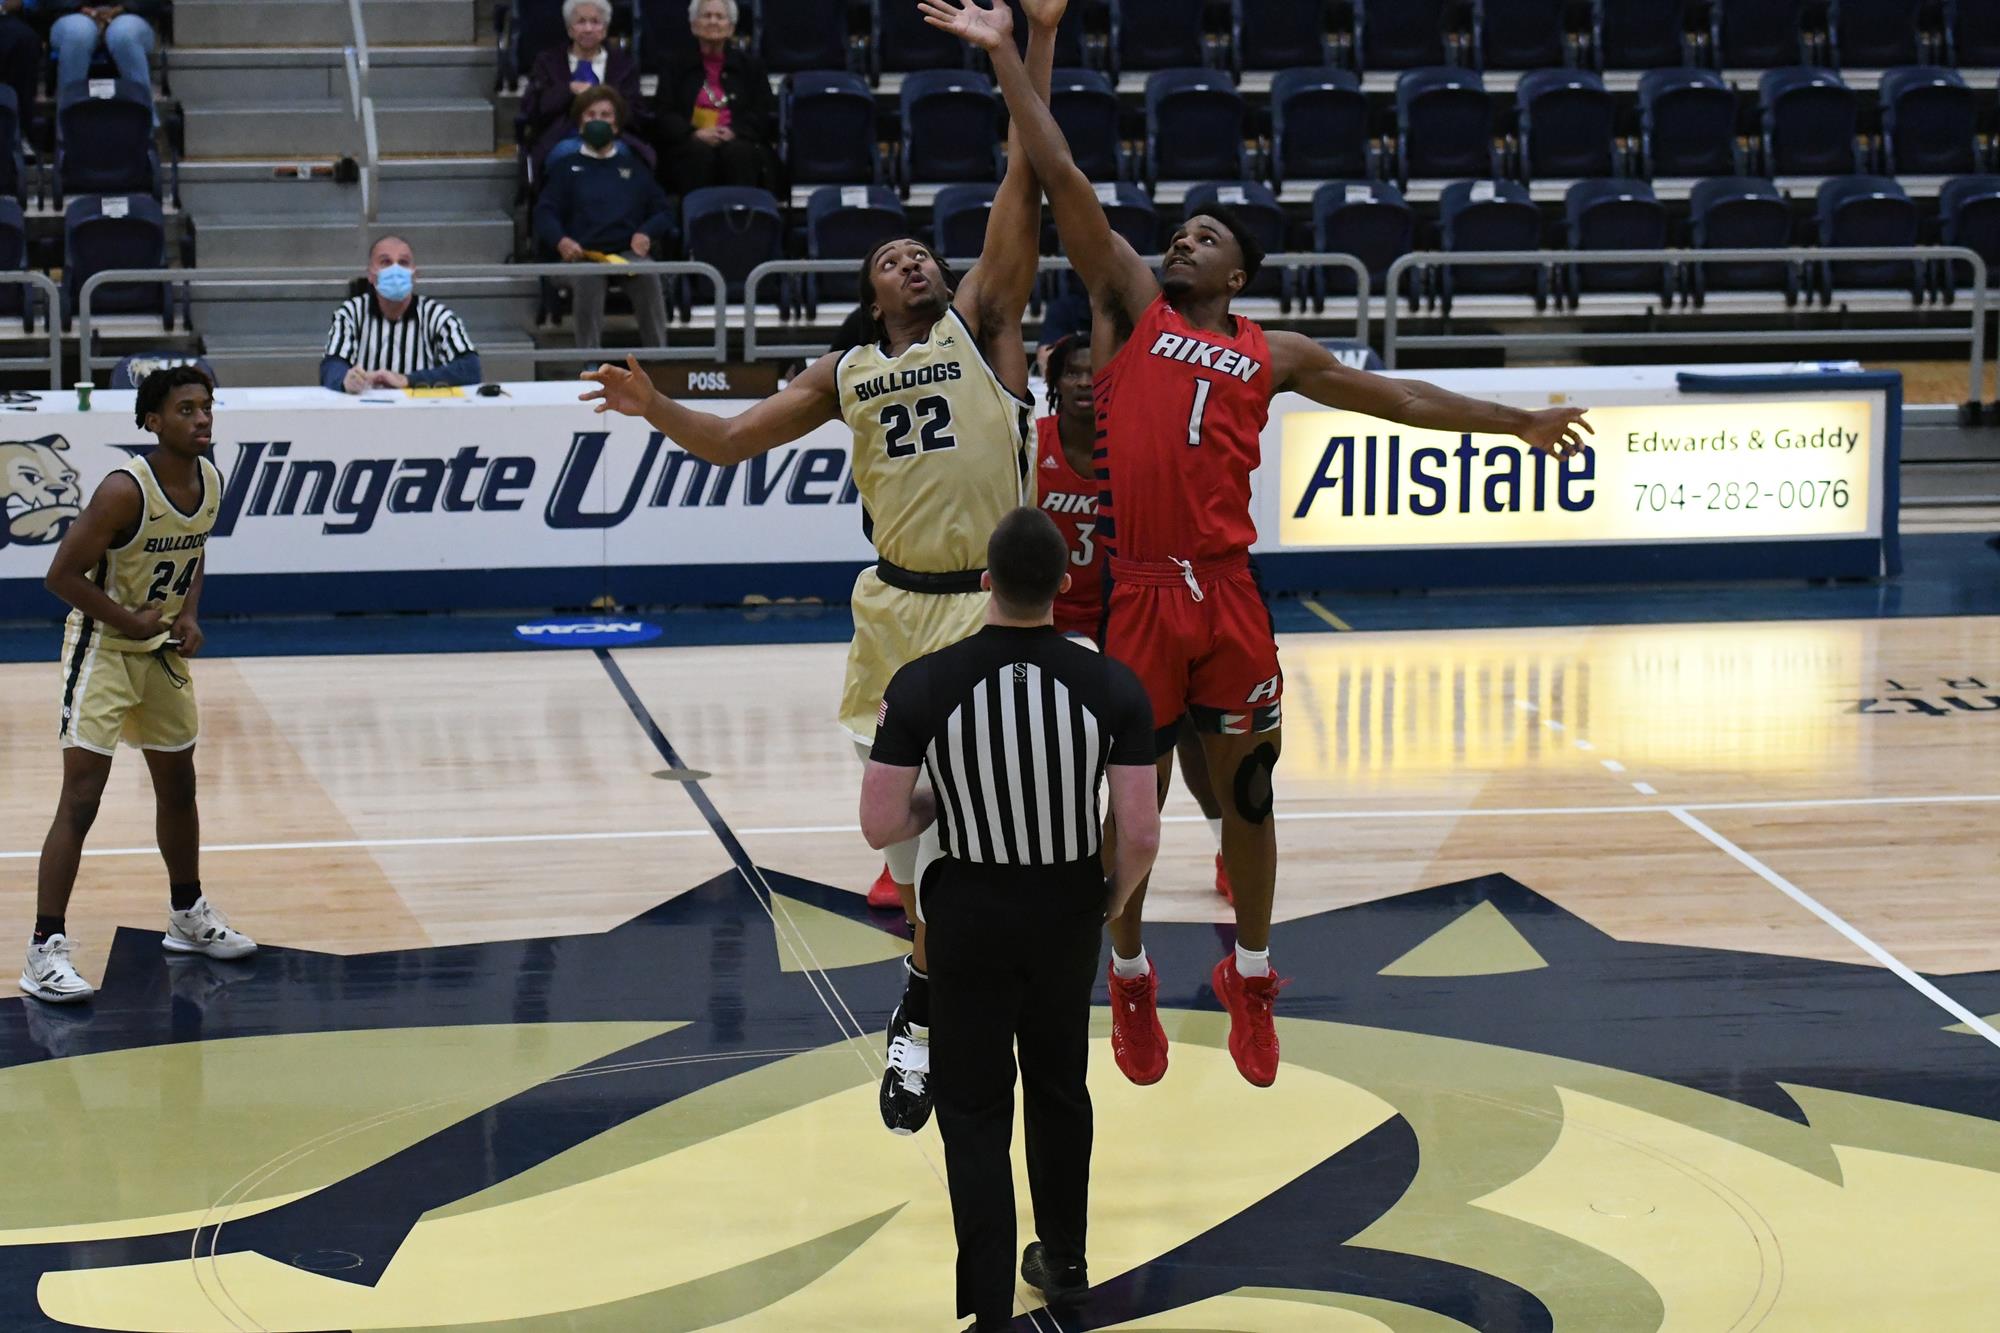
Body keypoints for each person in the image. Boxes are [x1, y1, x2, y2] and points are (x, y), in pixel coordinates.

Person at [930, 0, 1593, 1088]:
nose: (1181, 237)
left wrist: (1510, 421)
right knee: (1128, 816)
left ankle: (1251, 972)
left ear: (1236, 274)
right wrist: (1011, 53)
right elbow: (1056, 173)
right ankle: (1131, 974)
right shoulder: (1128, 307)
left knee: (1246, 800)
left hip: (1227, 595)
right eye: (1179, 231)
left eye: (1205, 237)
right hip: (1137, 598)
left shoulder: (1271, 351)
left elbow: (1396, 397)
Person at [582, 0, 1070, 1137]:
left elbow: (1027, 178)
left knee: (971, 850)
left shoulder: (982, 322)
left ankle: (927, 1015)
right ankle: (929, 986)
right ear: (869, 292)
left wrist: (1024, 46)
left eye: (921, 251)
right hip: (893, 612)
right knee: (907, 841)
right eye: (891, 256)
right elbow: (731, 438)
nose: (913, 255)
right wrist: (658, 406)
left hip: (990, 616)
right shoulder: (842, 368)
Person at [860, 507, 1160, 1333]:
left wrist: (940, 798)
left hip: (968, 916)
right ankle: (1064, 1258)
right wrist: (1111, 898)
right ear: (1065, 584)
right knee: (1061, 1085)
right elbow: (1138, 830)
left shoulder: (925, 682)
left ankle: (989, 1299)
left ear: (986, 581)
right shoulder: (1111, 685)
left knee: (976, 1104)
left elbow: (881, 822)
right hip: (1065, 906)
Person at [20, 366, 256, 1004]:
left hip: (156, 651)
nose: (202, 419)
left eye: (207, 407)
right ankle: (44, 949)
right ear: (153, 421)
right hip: (101, 648)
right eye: (186, 410)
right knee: (82, 799)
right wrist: (129, 619)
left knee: (179, 786)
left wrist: (189, 613)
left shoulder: (209, 478)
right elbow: (61, 575)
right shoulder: (125, 490)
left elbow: (193, 547)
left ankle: (186, 913)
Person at [1038, 334, 1234, 899]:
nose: (1082, 381)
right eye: (1071, 371)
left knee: (1190, 730)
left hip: (1120, 604)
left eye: (1091, 371)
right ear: (1055, 382)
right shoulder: (1031, 441)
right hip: (1043, 609)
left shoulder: (1133, 440)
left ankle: (1227, 846)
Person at [535, 86, 674, 354]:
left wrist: (646, 233)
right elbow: (544, 212)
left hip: (625, 253)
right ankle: (589, 362)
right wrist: (561, 240)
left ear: (617, 124)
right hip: (580, 255)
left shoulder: (633, 168)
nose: (598, 120)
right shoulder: (565, 167)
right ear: (580, 122)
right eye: (591, 114)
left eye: (606, 115)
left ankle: (659, 360)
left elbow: (663, 211)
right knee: (589, 278)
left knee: (648, 273)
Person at [320, 235, 483, 394]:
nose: (395, 270)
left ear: (415, 275)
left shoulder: (437, 315)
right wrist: (345, 379)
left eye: (403, 263)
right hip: (363, 412)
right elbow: (331, 366)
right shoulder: (350, 313)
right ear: (370, 275)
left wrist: (408, 380)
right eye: (386, 262)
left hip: (420, 413)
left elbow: (470, 368)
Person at [653, 0, 778, 196]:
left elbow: (763, 111)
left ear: (731, 28)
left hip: (740, 140)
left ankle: (742, 219)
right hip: (690, 142)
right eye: (706, 16)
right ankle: (696, 221)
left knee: (739, 154)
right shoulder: (675, 65)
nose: (713, 22)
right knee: (698, 154)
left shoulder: (751, 66)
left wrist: (734, 132)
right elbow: (664, 112)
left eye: (720, 17)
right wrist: (694, 133)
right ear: (694, 25)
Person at [523, 0, 646, 186]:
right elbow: (535, 109)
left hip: (615, 139)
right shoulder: (547, 62)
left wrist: (608, 105)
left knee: (622, 155)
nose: (588, 29)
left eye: (595, 22)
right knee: (567, 154)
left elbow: (636, 112)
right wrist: (568, 90)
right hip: (562, 138)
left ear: (605, 29)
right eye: (581, 22)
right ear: (569, 29)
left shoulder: (623, 64)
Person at [47, 0, 156, 93]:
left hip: (130, 15)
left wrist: (121, 9)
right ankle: (69, 111)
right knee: (78, 33)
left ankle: (143, 112)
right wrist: (83, 9)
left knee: (124, 33)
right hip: (71, 13)